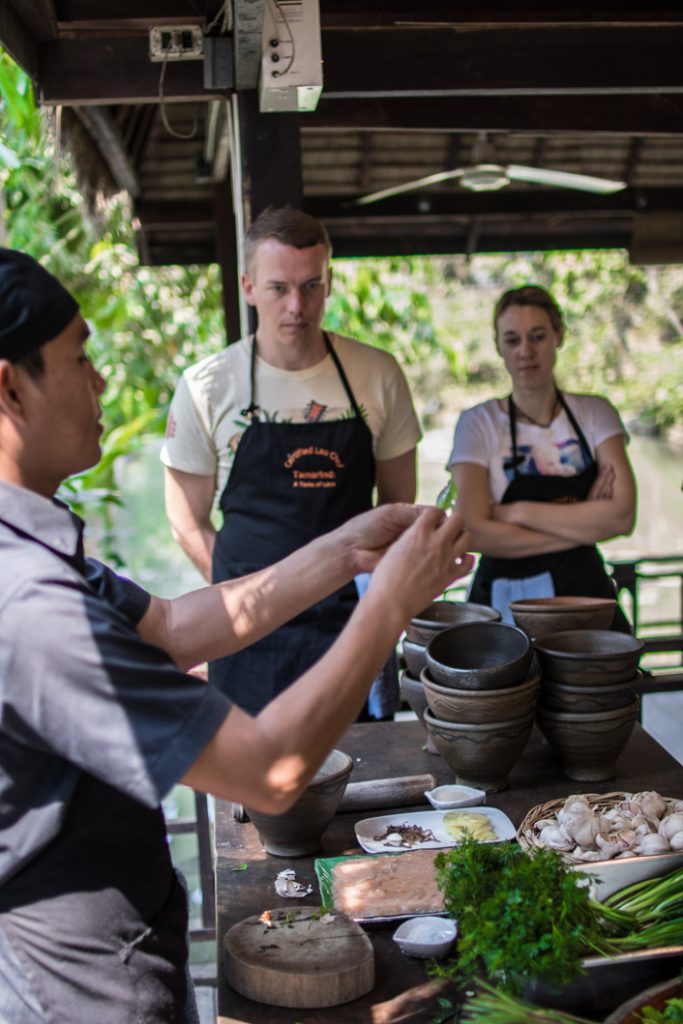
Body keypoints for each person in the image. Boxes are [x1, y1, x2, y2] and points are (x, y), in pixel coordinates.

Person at [0, 248, 473, 1022]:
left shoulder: (39, 551)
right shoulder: (29, 604)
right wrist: (385, 602)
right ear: (9, 386)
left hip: (124, 957)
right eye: (79, 356)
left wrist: (344, 551)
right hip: (77, 996)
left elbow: (180, 625)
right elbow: (272, 772)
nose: (100, 380)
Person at [161, 206, 421, 715]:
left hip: (354, 626)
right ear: (248, 286)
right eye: (278, 288)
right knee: (257, 787)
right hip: (247, 635)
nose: (296, 305)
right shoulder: (204, 386)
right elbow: (185, 521)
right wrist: (246, 605)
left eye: (311, 286)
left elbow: (397, 509)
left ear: (329, 283)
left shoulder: (379, 374)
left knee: (370, 771)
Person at [447, 284, 636, 629]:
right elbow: (472, 530)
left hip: (586, 596)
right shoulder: (478, 424)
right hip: (507, 604)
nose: (525, 351)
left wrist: (514, 512)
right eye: (512, 340)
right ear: (498, 347)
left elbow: (622, 516)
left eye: (538, 336)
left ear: (558, 336)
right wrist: (584, 526)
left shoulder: (596, 414)